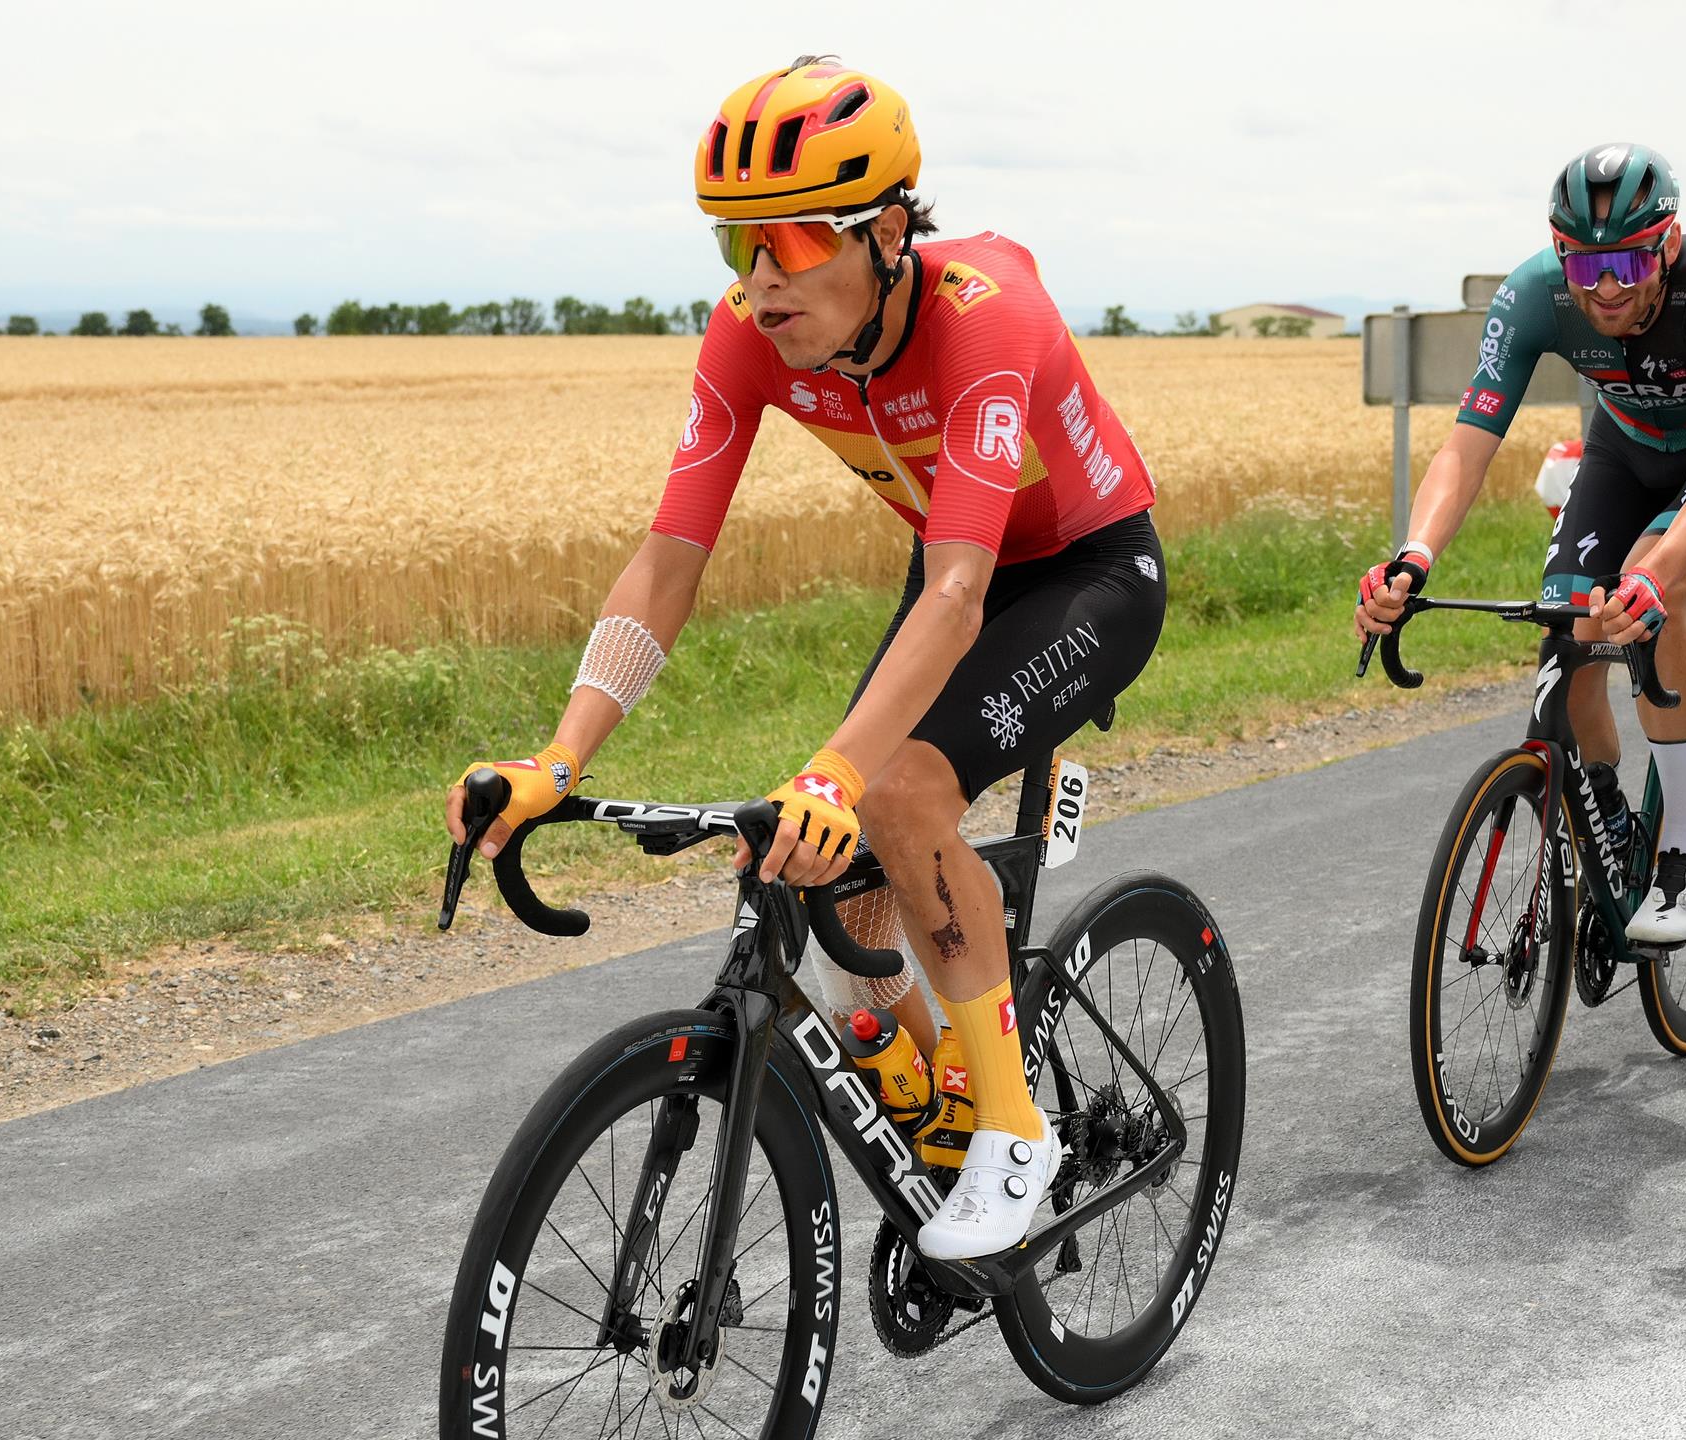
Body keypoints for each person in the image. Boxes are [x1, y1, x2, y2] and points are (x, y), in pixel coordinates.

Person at [444, 57, 1165, 1259]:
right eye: (735, 249)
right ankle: (933, 1082)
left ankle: (1014, 1129)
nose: (759, 282)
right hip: (952, 564)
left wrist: (841, 771)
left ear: (886, 232)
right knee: (832, 866)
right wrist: (559, 757)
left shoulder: (986, 322)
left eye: (785, 240)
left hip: (1086, 572)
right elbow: (668, 561)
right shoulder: (747, 340)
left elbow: (957, 589)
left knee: (893, 790)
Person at [1355, 142, 1686, 944]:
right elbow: (1466, 448)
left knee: (1646, 592)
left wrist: (1658, 576)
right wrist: (1411, 558)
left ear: (1666, 247)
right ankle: (1610, 822)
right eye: (1582, 264)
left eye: (1627, 267)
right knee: (1570, 624)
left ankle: (1683, 850)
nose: (1602, 289)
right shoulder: (1531, 295)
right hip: (1625, 447)